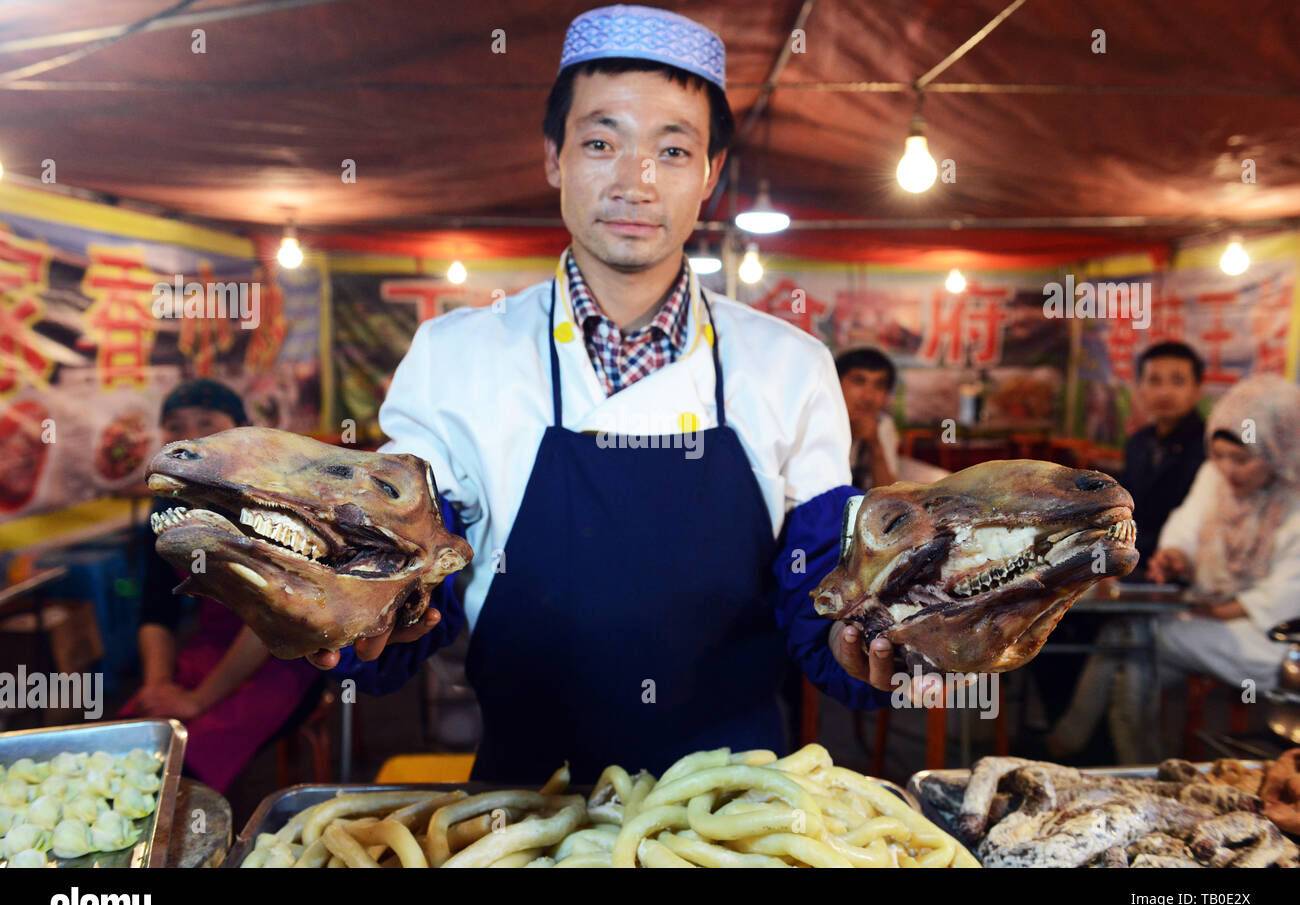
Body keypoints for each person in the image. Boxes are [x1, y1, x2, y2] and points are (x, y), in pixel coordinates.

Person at [292, 6, 921, 783]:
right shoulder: (457, 357)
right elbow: (412, 563)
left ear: (711, 175)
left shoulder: (788, 364)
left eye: (673, 149)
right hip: (527, 815)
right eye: (600, 142)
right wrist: (361, 619)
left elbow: (818, 576)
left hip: (742, 816)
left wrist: (871, 642)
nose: (635, 181)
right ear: (554, 157)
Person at [1048, 374, 1300, 763]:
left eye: (1243, 459)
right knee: (1132, 656)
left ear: (1281, 450)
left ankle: (1081, 745)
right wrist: (1176, 557)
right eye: (1221, 457)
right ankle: (1140, 762)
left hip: (1274, 641)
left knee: (1134, 641)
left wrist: (1219, 609)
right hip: (1203, 617)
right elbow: (1183, 531)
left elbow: (1289, 592)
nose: (1229, 470)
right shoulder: (1213, 476)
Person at [122, 379, 320, 792]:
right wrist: (158, 684)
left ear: (240, 429)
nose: (188, 436)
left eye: (206, 422)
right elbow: (156, 610)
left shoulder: (273, 505)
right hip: (209, 651)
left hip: (283, 656)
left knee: (184, 768)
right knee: (130, 749)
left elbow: (272, 617)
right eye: (174, 425)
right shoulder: (167, 510)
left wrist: (197, 701)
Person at [1121, 341, 1206, 577]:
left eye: (1177, 381)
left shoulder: (1208, 447)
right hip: (1130, 562)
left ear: (1198, 389)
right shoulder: (1137, 442)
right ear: (1140, 387)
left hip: (1179, 568)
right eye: (1154, 380)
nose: (1164, 392)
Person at [836, 347, 900, 489]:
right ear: (835, 383)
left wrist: (874, 444)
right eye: (858, 381)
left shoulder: (882, 424)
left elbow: (888, 498)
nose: (868, 396)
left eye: (879, 385)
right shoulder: (815, 421)